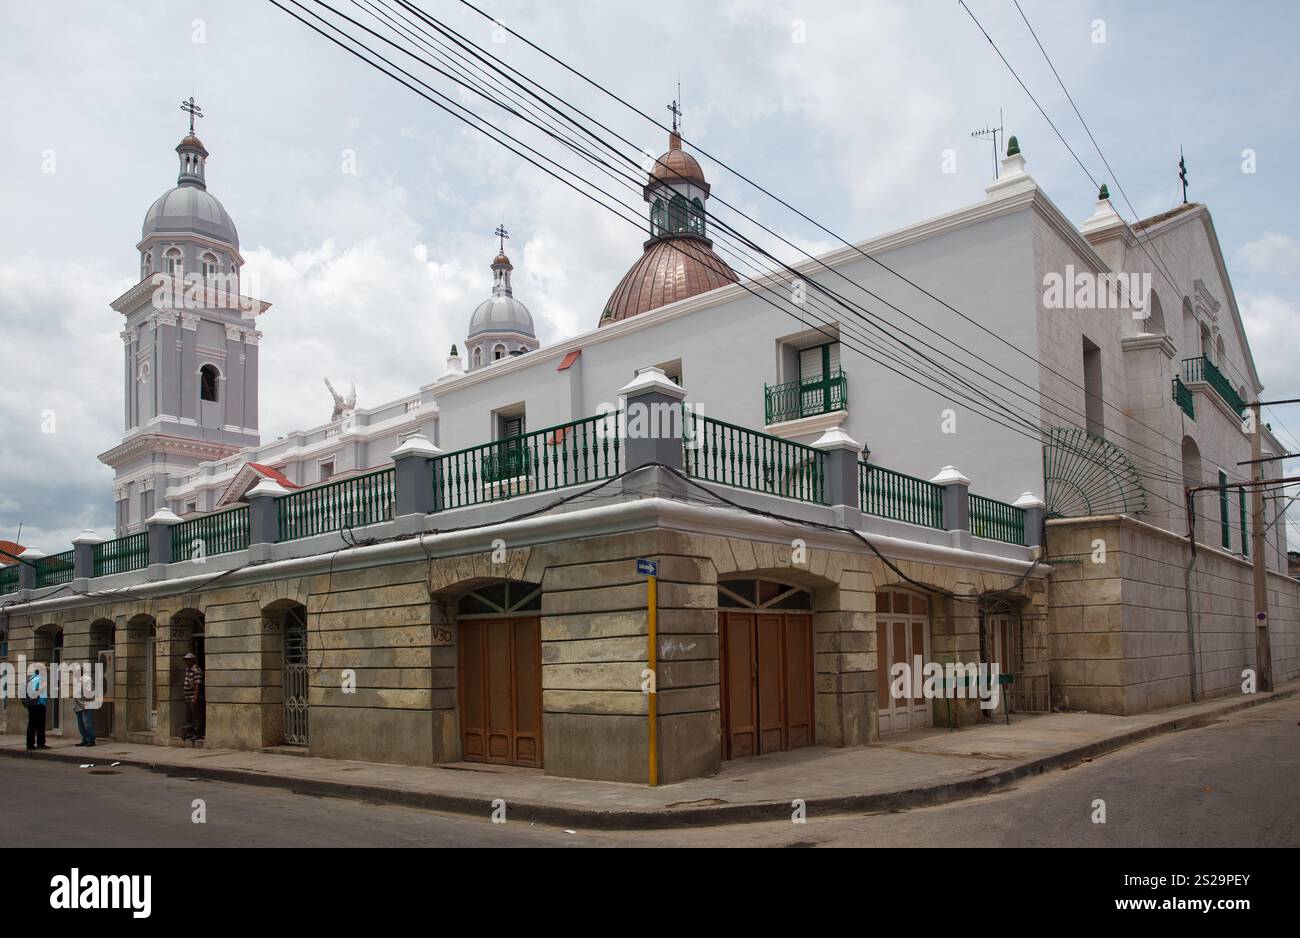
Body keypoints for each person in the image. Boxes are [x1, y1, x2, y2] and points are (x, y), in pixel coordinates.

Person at [182, 652, 205, 742]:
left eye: (188, 660)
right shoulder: (188, 670)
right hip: (188, 697)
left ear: (192, 660)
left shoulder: (196, 670)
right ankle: (191, 732)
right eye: (186, 660)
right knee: (190, 716)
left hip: (194, 697)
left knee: (196, 716)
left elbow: (197, 684)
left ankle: (198, 733)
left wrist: (195, 697)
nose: (187, 662)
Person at [24, 670, 48, 750]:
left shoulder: (32, 678)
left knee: (32, 724)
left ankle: (30, 743)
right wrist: (43, 686)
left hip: (32, 705)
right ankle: (40, 744)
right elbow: (35, 691)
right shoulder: (38, 679)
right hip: (38, 704)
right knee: (40, 725)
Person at [73, 668, 97, 747]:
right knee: (81, 724)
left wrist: (85, 704)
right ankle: (85, 738)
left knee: (87, 723)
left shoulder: (87, 680)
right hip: (79, 706)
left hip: (85, 705)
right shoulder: (78, 680)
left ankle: (91, 739)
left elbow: (89, 693)